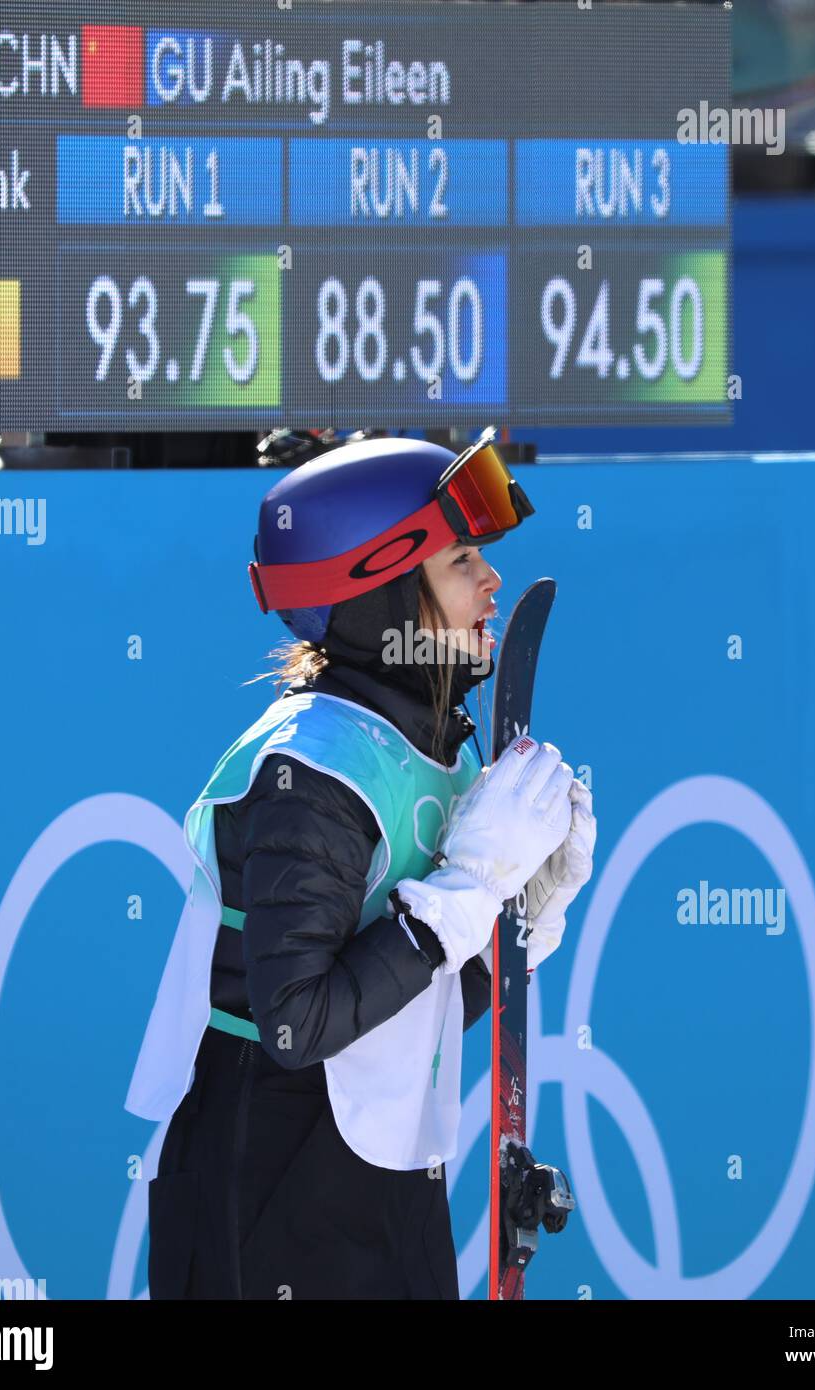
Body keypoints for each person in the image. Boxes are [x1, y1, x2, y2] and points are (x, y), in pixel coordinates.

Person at [124, 430, 597, 1299]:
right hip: (265, 1182)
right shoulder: (314, 769)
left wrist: (518, 918)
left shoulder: (426, 747)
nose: (492, 583)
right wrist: (465, 892)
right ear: (381, 594)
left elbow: (402, 1008)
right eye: (463, 563)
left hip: (371, 1170)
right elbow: (299, 1024)